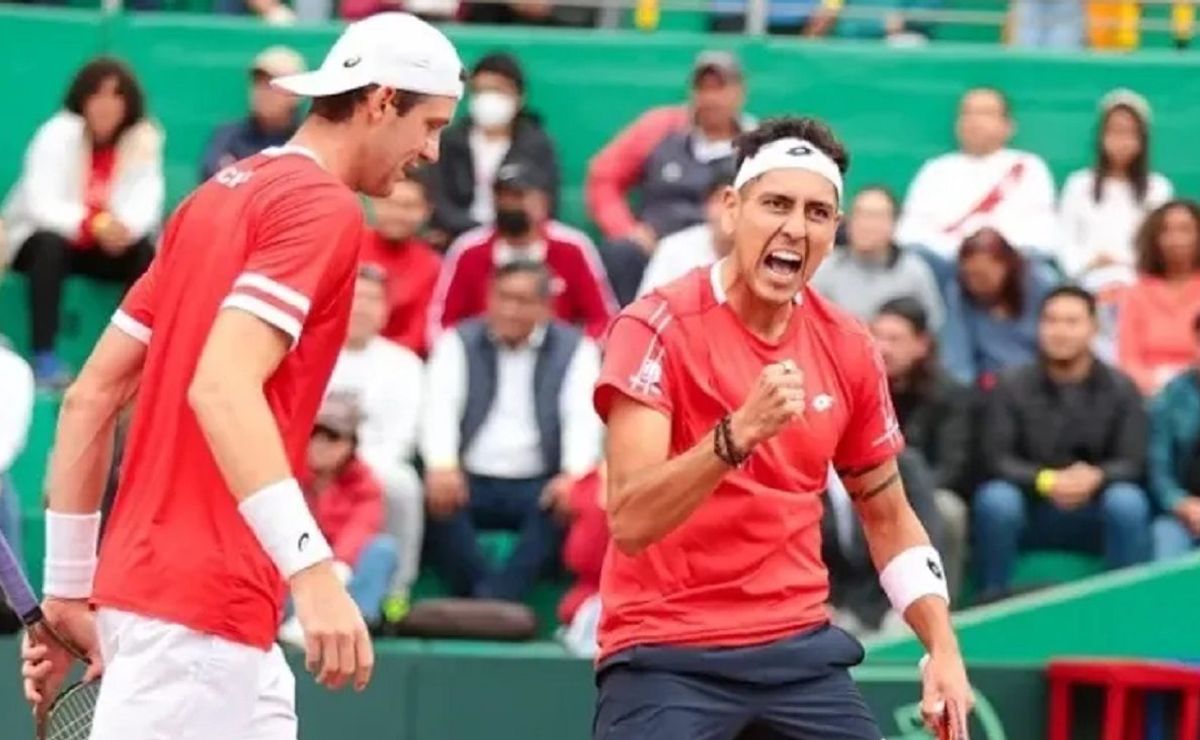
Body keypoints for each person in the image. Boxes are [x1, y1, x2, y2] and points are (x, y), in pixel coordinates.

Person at [19, 13, 464, 740]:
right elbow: (222, 386)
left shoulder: (210, 200)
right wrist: (313, 570)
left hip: (190, 607)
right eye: (431, 125)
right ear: (382, 100)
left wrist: (68, 588)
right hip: (199, 615)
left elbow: (91, 396)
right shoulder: (323, 206)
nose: (432, 150)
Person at [592, 117, 972, 740]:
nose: (796, 227)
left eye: (817, 213)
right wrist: (736, 436)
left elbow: (888, 517)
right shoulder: (653, 327)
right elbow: (630, 520)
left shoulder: (849, 344)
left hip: (797, 649)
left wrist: (942, 648)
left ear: (834, 232)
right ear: (731, 209)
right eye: (776, 204)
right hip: (665, 653)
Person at [422, 259, 603, 601]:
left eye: (522, 301)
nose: (509, 309)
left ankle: (489, 603)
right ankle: (494, 605)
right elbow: (440, 408)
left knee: (572, 502)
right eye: (502, 297)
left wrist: (572, 475)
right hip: (468, 479)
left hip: (540, 483)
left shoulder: (576, 349)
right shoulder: (458, 341)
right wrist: (442, 466)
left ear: (545, 306)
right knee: (436, 501)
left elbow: (582, 417)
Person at [974, 286, 1150, 602]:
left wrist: (1097, 477)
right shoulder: (1011, 384)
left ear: (1093, 328)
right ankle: (989, 604)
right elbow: (996, 458)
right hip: (1032, 505)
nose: (1060, 332)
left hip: (1094, 506)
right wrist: (1046, 480)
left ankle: (1127, 609)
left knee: (1128, 502)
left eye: (1071, 322)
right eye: (1051, 321)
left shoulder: (1121, 388)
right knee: (996, 499)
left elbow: (1133, 460)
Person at [3, 57, 164, 387]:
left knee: (144, 253)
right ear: (82, 98)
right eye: (97, 94)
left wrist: (124, 230)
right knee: (49, 246)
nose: (106, 105)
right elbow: (40, 202)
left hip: (104, 248)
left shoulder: (143, 139)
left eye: (116, 95)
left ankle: (129, 361)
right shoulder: (57, 133)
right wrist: (92, 224)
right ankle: (44, 356)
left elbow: (147, 201)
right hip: (44, 242)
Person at [426, 160, 618, 345]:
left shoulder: (573, 247)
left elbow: (603, 319)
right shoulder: (468, 250)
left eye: (518, 196)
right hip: (480, 357)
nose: (509, 204)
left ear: (543, 202)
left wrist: (577, 353)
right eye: (502, 196)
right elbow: (441, 322)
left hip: (558, 357)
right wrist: (459, 353)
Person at [426, 52, 560, 247]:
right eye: (480, 90)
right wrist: (474, 234)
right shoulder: (449, 141)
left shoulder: (537, 145)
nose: (488, 98)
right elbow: (438, 200)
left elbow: (545, 204)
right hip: (455, 238)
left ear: (519, 97)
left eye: (498, 90)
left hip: (516, 239)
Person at [1057, 88, 1173, 291]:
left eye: (1129, 133)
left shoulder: (1158, 188)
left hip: (1138, 280)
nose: (1121, 142)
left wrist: (1124, 262)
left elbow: (1158, 246)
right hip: (1087, 278)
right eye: (1114, 132)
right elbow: (1064, 239)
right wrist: (1090, 261)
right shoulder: (1078, 184)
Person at [811, 185, 944, 330]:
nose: (865, 224)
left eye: (875, 216)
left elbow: (931, 329)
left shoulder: (914, 272)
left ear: (895, 223)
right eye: (859, 214)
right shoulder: (824, 268)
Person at [940, 227, 1052, 387]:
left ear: (1006, 267)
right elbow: (958, 357)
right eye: (968, 276)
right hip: (988, 386)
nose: (973, 284)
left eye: (982, 276)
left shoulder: (1040, 285)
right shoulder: (959, 294)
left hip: (1039, 382)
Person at [1116, 199, 1200, 396]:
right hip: (1151, 393)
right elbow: (1128, 359)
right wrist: (1158, 385)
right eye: (1166, 231)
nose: (1176, 238)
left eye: (1185, 230)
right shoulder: (1136, 293)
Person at [359, 177, 441, 357]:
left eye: (408, 206)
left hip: (398, 362)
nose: (397, 213)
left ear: (427, 210)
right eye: (390, 203)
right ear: (374, 203)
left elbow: (419, 332)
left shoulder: (431, 266)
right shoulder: (350, 243)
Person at [200, 46, 306, 182]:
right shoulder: (226, 137)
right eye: (258, 82)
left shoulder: (307, 143)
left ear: (296, 93)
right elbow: (211, 177)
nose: (263, 92)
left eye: (272, 85)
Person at [1147, 313, 1200, 560]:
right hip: (1181, 515)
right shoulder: (1171, 397)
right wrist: (1183, 505)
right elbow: (1159, 469)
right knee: (1165, 545)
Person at [636, 168, 735, 297]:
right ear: (706, 205)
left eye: (734, 203)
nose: (727, 211)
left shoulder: (757, 253)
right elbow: (648, 303)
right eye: (720, 200)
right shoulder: (674, 248)